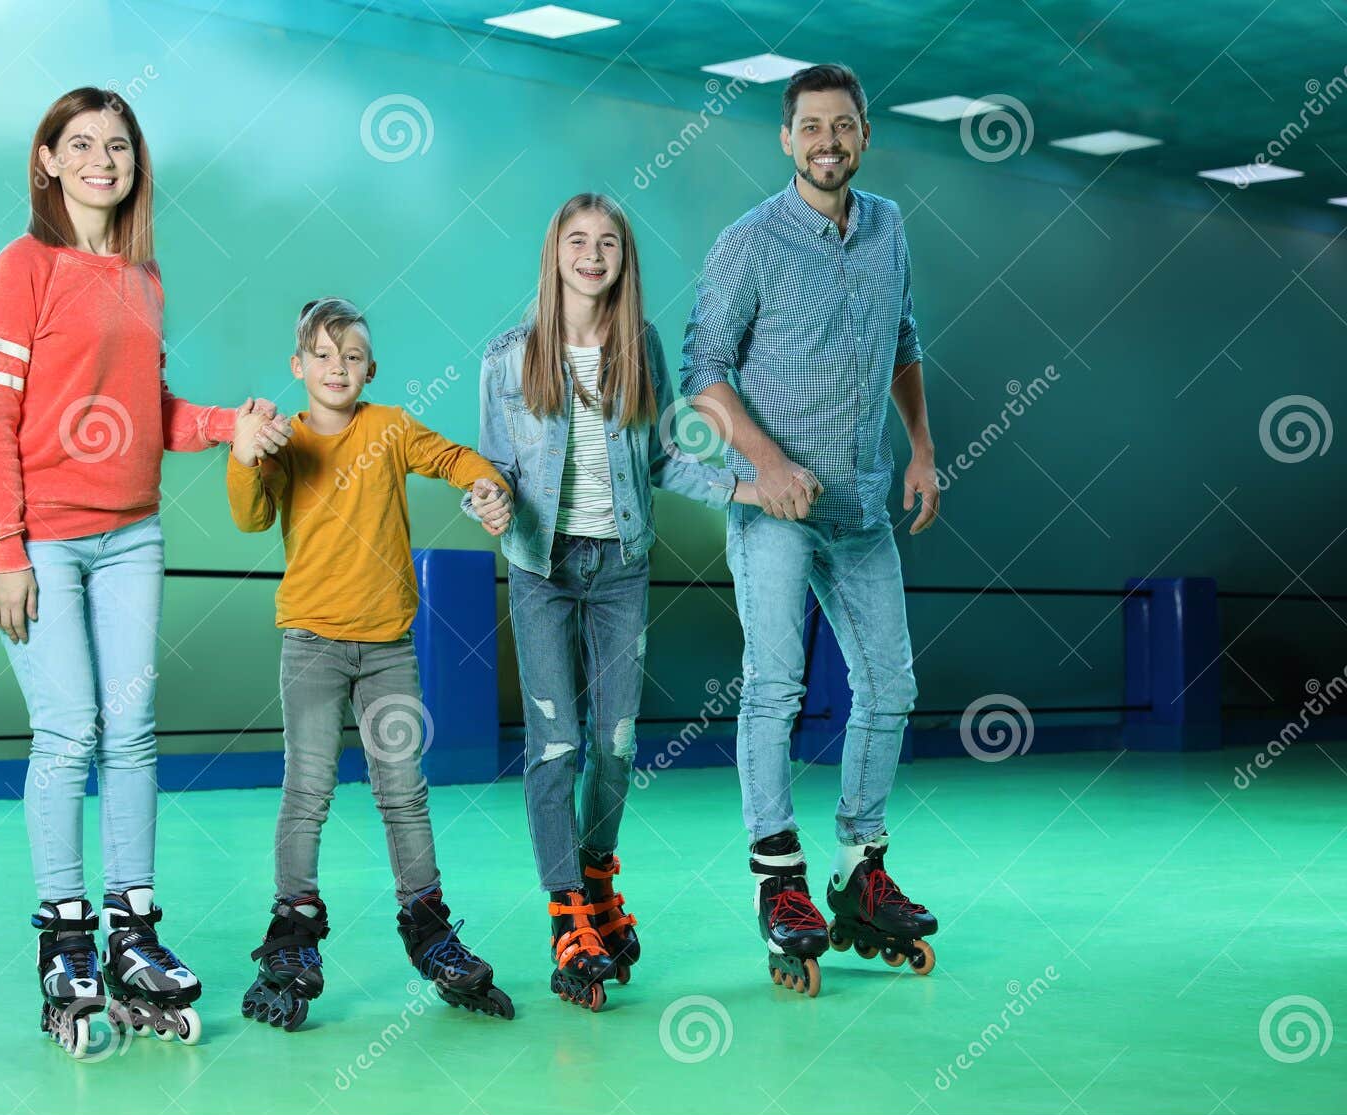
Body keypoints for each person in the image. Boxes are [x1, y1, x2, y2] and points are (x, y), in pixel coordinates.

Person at [0, 87, 277, 1055]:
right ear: (47, 161)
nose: (104, 158)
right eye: (82, 143)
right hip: (42, 540)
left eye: (119, 145)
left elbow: (154, 412)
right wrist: (8, 547)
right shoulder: (22, 268)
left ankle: (132, 934)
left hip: (130, 535)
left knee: (133, 731)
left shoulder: (141, 277)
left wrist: (234, 425)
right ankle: (64, 940)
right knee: (69, 732)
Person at [681, 64, 942, 998]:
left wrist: (920, 447)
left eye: (844, 126)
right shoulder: (748, 242)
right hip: (775, 506)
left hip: (862, 503)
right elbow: (702, 373)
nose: (827, 142)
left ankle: (859, 871)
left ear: (863, 135)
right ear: (786, 140)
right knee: (776, 686)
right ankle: (781, 883)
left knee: (892, 685)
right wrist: (768, 466)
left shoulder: (889, 228)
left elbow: (903, 340)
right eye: (810, 128)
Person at [465, 193, 762, 1012]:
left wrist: (744, 485)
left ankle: (597, 877)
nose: (592, 255)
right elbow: (487, 472)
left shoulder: (642, 347)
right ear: (554, 252)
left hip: (622, 568)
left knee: (619, 744)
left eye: (607, 244)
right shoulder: (506, 356)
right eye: (577, 241)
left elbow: (665, 458)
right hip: (541, 570)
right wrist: (484, 501)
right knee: (556, 747)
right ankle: (566, 913)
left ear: (623, 261)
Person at [227, 297, 517, 1029]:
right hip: (312, 647)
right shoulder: (285, 439)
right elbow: (251, 517)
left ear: (370, 369)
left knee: (403, 791)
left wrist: (486, 484)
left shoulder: (389, 429)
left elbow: (450, 457)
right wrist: (241, 453)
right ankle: (294, 925)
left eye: (351, 356)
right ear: (299, 367)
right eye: (323, 355)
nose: (337, 368)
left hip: (387, 649)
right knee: (308, 788)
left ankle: (426, 922)